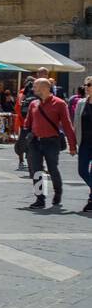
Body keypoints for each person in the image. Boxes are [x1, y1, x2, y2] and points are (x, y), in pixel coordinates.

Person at [24, 77, 76, 209]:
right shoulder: (33, 104)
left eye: (35, 87)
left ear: (44, 88)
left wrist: (72, 145)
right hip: (35, 141)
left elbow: (67, 125)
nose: (33, 89)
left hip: (52, 142)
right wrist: (22, 140)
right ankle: (40, 198)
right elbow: (27, 124)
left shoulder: (59, 104)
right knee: (37, 171)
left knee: (53, 169)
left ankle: (58, 192)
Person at [71, 78, 92, 212]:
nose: (87, 87)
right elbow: (76, 124)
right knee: (82, 170)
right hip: (84, 143)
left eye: (90, 85)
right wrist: (72, 144)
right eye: (86, 85)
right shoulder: (81, 103)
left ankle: (91, 201)